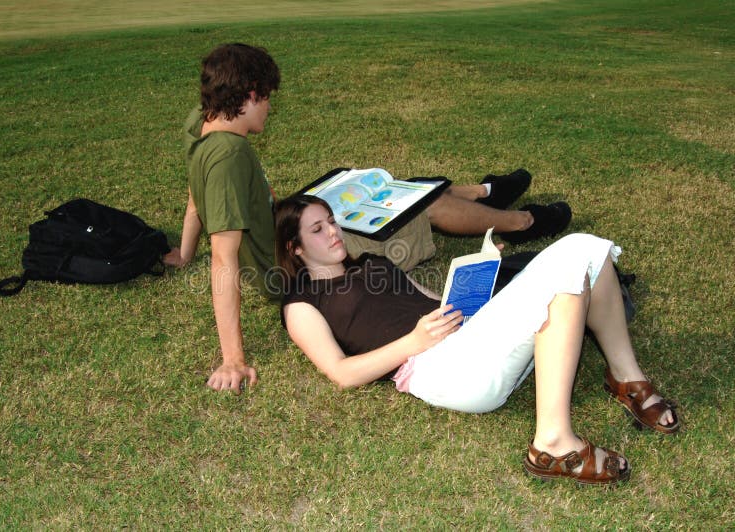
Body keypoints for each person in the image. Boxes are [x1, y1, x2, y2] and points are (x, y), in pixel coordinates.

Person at [165, 42, 571, 393]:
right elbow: (224, 259)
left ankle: (484, 192)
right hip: (298, 256)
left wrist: (184, 253)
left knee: (393, 190)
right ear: (250, 95)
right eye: (267, 97)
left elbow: (197, 198)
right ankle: (522, 222)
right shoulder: (229, 157)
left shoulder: (201, 125)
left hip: (294, 226)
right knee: (417, 207)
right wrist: (233, 359)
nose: (270, 106)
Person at [276, 194, 679, 485]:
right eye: (318, 229)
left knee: (587, 251)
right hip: (436, 369)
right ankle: (552, 442)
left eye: (332, 221)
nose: (333, 232)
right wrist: (414, 342)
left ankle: (627, 379)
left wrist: (479, 279)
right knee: (573, 256)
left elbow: (437, 304)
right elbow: (342, 373)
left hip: (468, 342)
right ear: (295, 248)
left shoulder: (373, 263)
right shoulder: (303, 303)